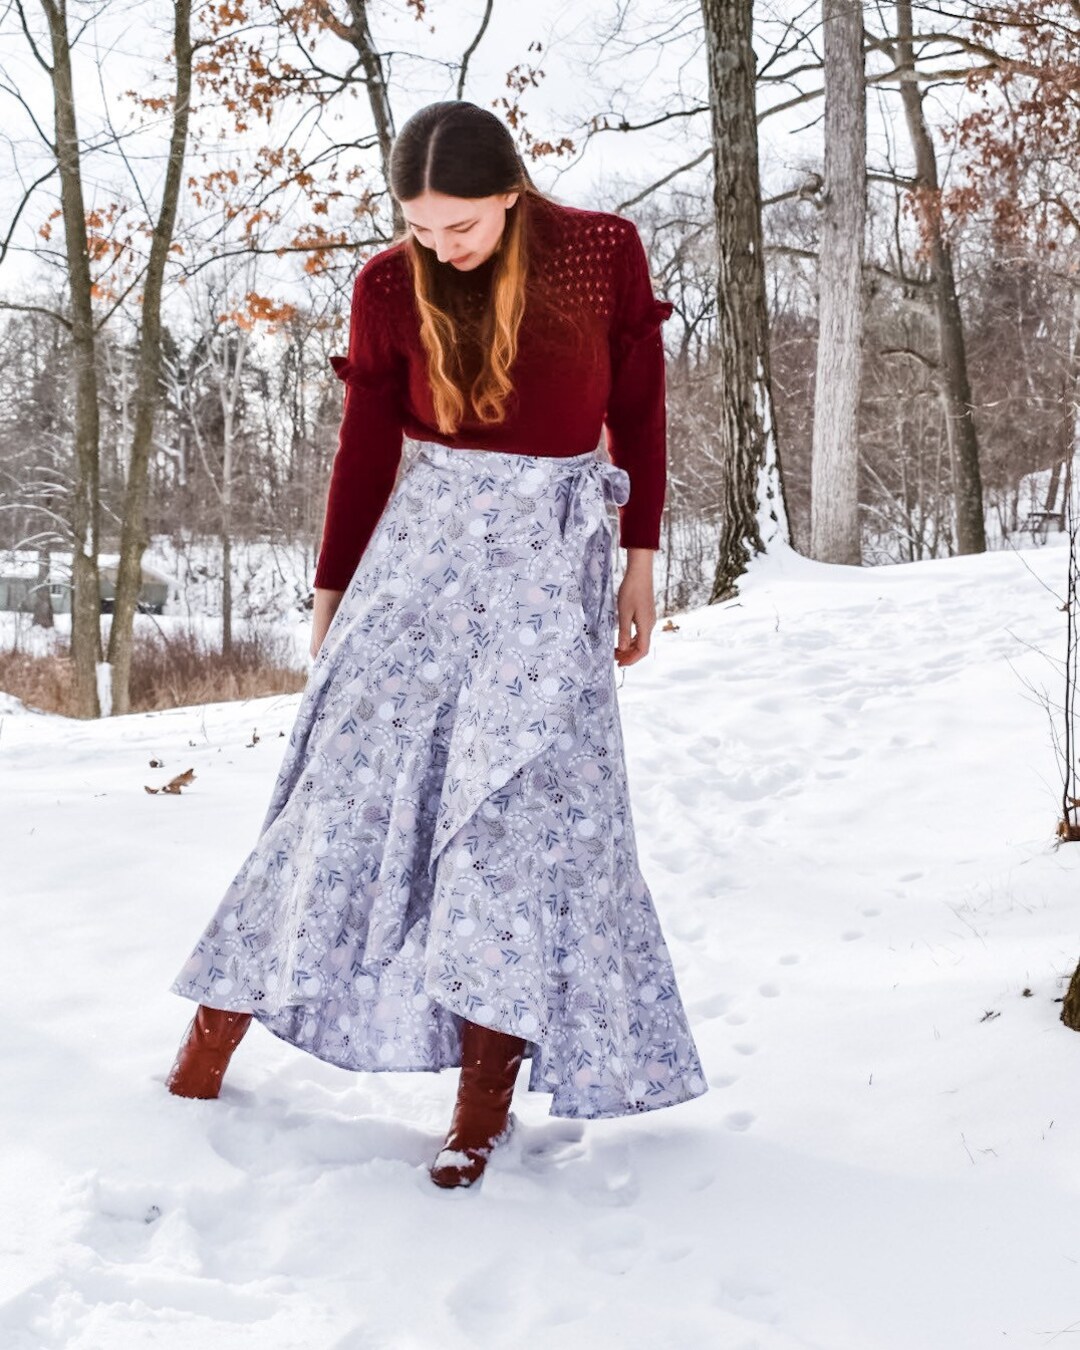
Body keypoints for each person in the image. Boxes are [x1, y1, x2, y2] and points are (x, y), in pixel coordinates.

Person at [166, 100, 708, 1189]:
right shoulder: (385, 286)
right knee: (343, 796)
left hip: (549, 567)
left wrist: (641, 557)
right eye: (418, 227)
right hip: (418, 560)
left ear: (510, 191)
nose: (439, 246)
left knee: (516, 818)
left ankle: (480, 1108)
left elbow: (642, 410)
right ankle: (202, 1054)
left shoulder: (600, 253)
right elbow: (366, 447)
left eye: (460, 225)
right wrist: (331, 595)